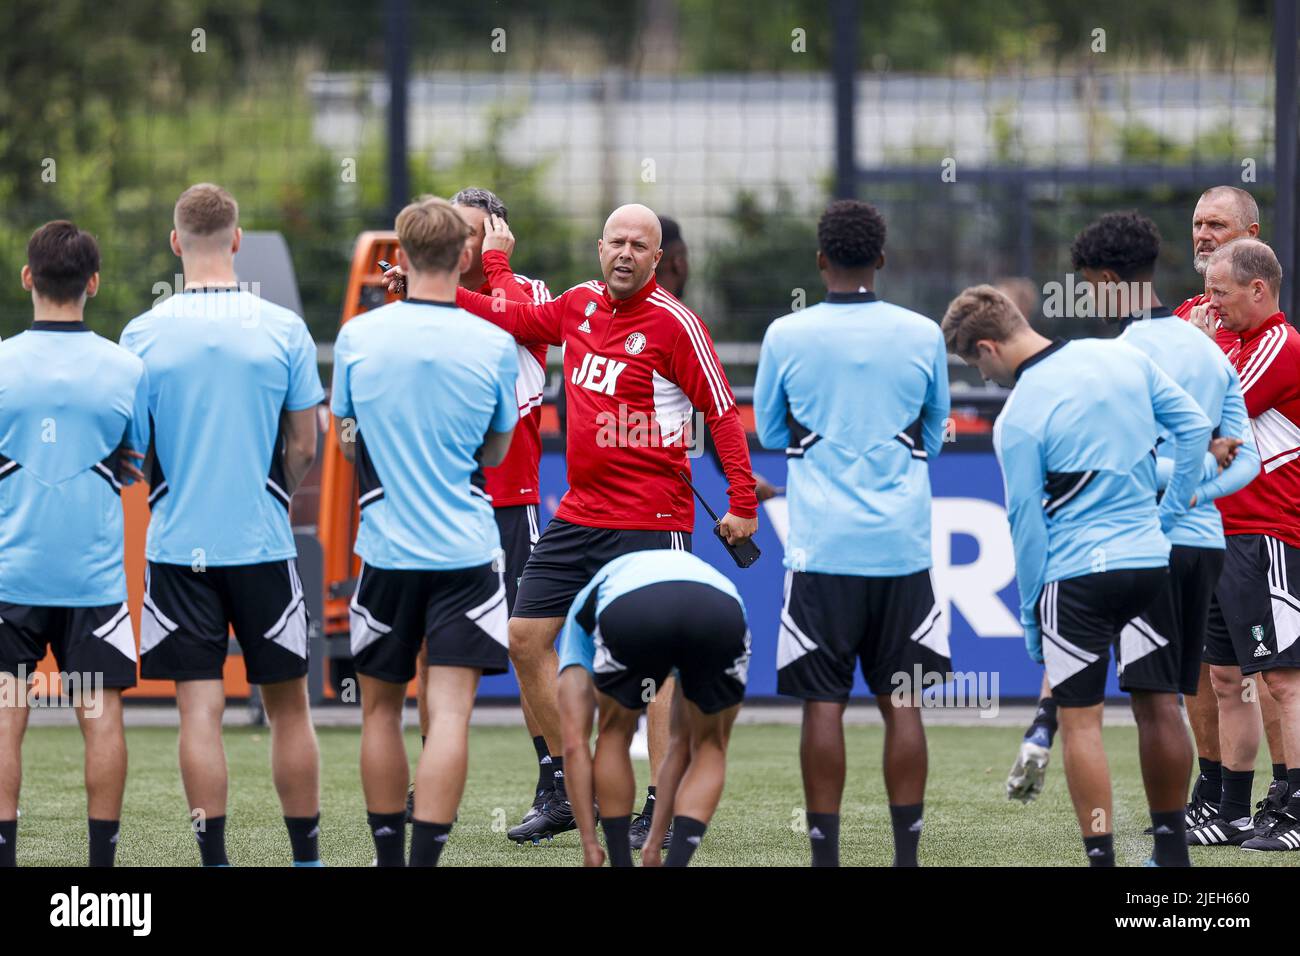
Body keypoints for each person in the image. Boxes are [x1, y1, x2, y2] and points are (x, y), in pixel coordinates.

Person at [440, 203, 759, 845]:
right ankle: (566, 784)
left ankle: (660, 806)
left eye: (639, 246)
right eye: (616, 242)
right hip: (581, 512)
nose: (625, 254)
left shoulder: (677, 325)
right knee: (526, 636)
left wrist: (743, 504)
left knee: (659, 663)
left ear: (657, 258)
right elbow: (515, 317)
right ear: (599, 247)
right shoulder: (579, 303)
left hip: (652, 517)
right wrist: (445, 288)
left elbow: (722, 414)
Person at [943, 284, 1211, 866]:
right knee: (1162, 705)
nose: (986, 380)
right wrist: (1169, 511)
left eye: (978, 367)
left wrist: (1031, 618)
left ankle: (1102, 862)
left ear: (987, 347)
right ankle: (1171, 857)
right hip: (1151, 563)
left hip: (1077, 578)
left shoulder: (1015, 416)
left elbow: (1027, 527)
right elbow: (1194, 430)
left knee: (1081, 722)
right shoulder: (1121, 355)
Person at [122, 183, 325, 867]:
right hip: (262, 543)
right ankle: (307, 860)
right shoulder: (282, 328)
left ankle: (215, 864)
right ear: (236, 241)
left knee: (198, 713)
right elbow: (306, 444)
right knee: (289, 709)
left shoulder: (143, 334)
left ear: (177, 244)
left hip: (180, 549)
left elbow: (132, 451)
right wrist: (273, 493)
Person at [754, 199, 951, 867]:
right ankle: (906, 859)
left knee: (823, 704)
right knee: (903, 704)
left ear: (820, 260)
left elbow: (774, 434)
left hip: (821, 552)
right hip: (902, 549)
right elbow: (934, 436)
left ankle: (826, 859)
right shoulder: (923, 333)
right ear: (883, 260)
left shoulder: (786, 334)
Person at [335, 196, 518, 866]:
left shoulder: (361, 335)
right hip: (466, 553)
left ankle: (388, 861)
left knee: (381, 712)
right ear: (466, 255)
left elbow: (349, 442)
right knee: (450, 716)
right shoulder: (495, 342)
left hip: (386, 552)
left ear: (401, 257)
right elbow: (495, 452)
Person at [1070, 211, 1259, 853]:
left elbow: (1117, 459)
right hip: (1205, 542)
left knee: (1156, 703)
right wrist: (1196, 494)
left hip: (1144, 542)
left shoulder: (1114, 357)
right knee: (1178, 693)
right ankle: (1181, 836)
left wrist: (1160, 500)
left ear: (1101, 279)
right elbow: (1247, 457)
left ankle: (1170, 850)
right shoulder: (1207, 347)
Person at [391, 187, 555, 830]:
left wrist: (493, 267)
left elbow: (516, 322)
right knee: (433, 648)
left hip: (512, 501)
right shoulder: (420, 297)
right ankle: (433, 784)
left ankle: (556, 782)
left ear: (498, 238)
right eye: (451, 232)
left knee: (528, 648)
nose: (460, 243)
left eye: (475, 233)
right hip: (447, 498)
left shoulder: (525, 288)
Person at [0, 221, 150, 867]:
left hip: (10, 578)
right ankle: (100, 868)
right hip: (92, 584)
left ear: (28, 277)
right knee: (100, 715)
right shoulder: (126, 367)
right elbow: (133, 466)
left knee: (7, 716)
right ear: (93, 283)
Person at [1185, 239, 1300, 851]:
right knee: (1227, 678)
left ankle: (1296, 808)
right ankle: (1231, 809)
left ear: (1259, 289)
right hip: (1218, 531)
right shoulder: (1231, 340)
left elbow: (1213, 408)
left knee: (1283, 678)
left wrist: (1203, 347)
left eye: (1220, 294)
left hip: (1266, 533)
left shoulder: (1280, 344)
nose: (1212, 306)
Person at [556, 549, 749, 867]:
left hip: (632, 608)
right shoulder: (698, 575)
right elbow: (679, 746)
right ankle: (671, 860)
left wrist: (590, 846)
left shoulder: (583, 612)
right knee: (708, 746)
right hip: (720, 606)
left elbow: (575, 745)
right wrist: (654, 845)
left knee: (613, 733)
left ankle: (619, 860)